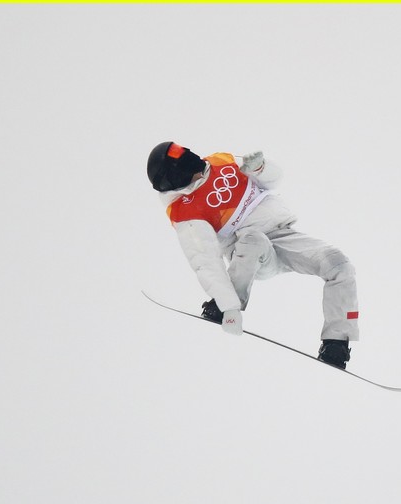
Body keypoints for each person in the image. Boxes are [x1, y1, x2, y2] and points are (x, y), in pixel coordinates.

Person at [146, 141, 359, 368]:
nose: (199, 172)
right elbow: (204, 259)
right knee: (253, 240)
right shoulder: (185, 209)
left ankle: (336, 343)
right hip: (250, 251)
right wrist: (226, 304)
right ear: (177, 178)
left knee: (339, 265)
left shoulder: (221, 161)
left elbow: (273, 180)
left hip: (283, 235)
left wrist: (260, 168)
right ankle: (231, 302)